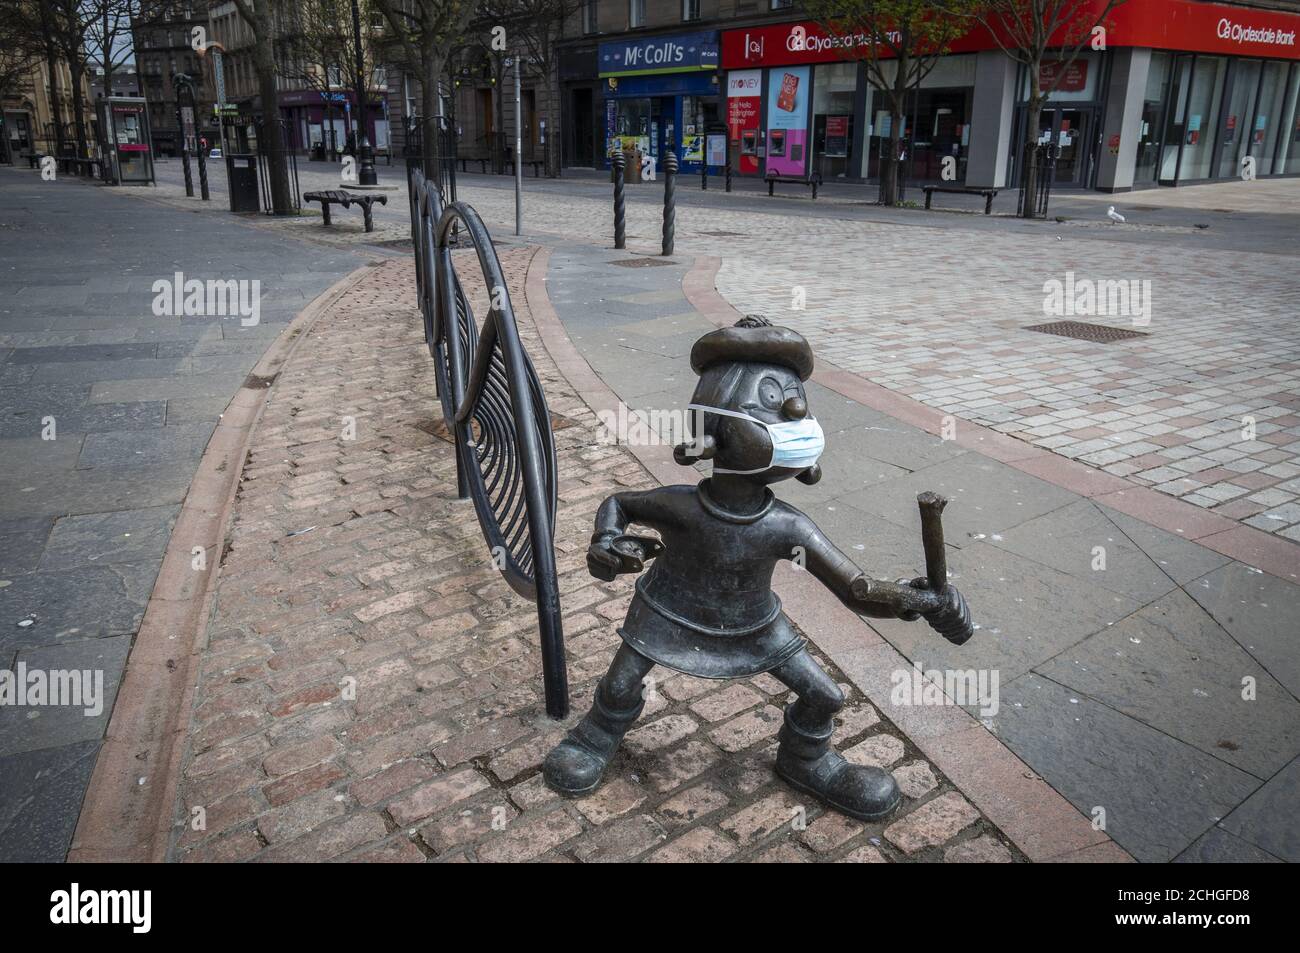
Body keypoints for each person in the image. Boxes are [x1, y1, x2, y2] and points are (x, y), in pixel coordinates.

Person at [543, 316, 972, 820]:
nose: (794, 410)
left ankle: (807, 759)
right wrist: (608, 542)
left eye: (794, 400)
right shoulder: (679, 506)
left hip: (755, 624)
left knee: (824, 695)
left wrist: (918, 600)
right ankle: (596, 737)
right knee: (618, 689)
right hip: (665, 613)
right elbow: (619, 502)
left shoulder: (787, 526)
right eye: (771, 400)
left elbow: (856, 589)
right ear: (712, 432)